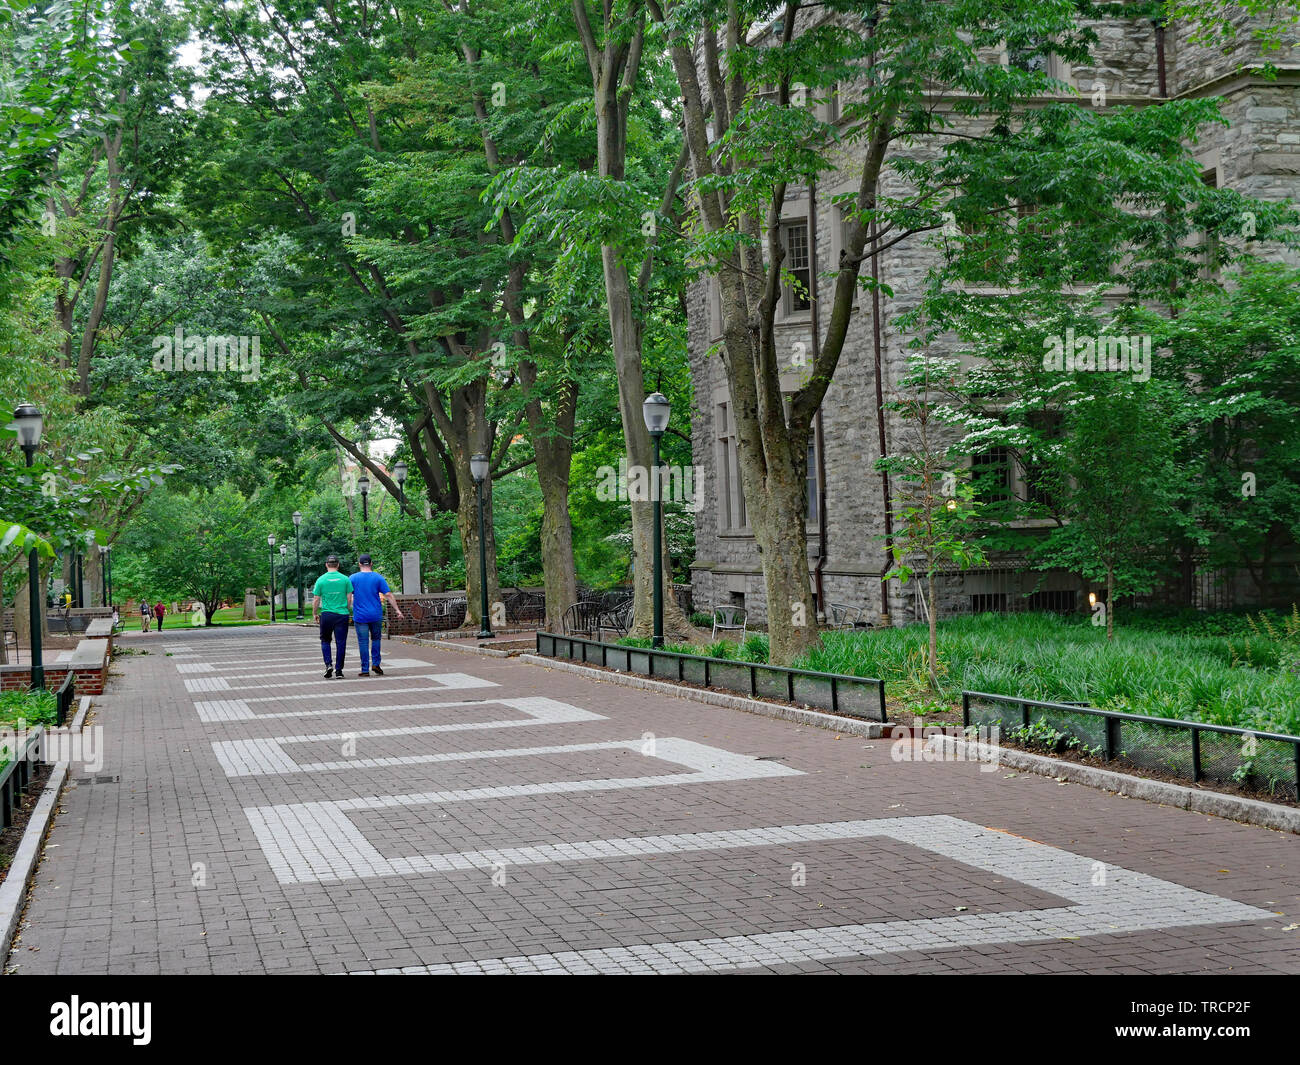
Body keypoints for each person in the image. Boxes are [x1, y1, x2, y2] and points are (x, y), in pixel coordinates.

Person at [349, 554, 404, 677]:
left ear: (359, 564)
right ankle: (376, 663)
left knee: (363, 642)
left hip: (360, 616)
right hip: (375, 615)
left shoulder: (353, 578)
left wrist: (347, 609)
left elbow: (348, 596)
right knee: (376, 639)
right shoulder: (378, 578)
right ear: (371, 563)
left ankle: (364, 669)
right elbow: (388, 594)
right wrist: (397, 610)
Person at [311, 554, 353, 678]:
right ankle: (339, 670)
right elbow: (349, 597)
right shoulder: (345, 579)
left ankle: (328, 664)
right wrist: (346, 608)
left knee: (325, 640)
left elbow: (316, 599)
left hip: (327, 614)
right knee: (341, 642)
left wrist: (314, 613)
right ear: (338, 565)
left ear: (326, 565)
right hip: (342, 614)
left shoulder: (321, 580)